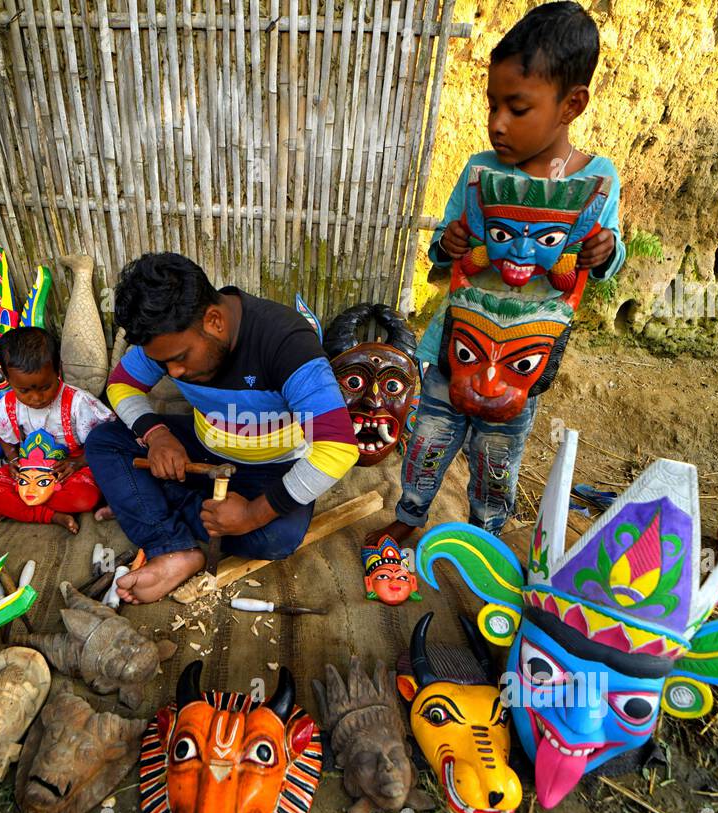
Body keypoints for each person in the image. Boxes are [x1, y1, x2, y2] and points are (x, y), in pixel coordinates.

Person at [370, 0, 626, 547]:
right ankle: (410, 518)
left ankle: (485, 536)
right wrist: (450, 243)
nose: (497, 124)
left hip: (522, 360)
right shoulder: (479, 169)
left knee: (497, 457)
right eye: (492, 105)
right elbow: (445, 255)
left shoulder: (598, 181)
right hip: (452, 347)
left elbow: (606, 264)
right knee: (428, 440)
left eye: (516, 107)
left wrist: (605, 251)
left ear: (571, 105)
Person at [86, 253, 358, 603]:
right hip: (200, 450)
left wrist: (251, 513)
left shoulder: (286, 341)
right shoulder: (166, 336)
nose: (173, 373)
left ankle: (144, 501)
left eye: (181, 358)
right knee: (105, 441)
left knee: (276, 537)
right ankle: (173, 547)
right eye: (161, 363)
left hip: (269, 468)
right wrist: (158, 436)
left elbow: (338, 447)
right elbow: (120, 385)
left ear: (214, 320)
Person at [0, 326, 114, 532]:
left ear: (58, 370)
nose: (36, 398)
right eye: (24, 390)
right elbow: (3, 436)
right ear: (7, 378)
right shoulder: (7, 405)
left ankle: (19, 507)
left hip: (69, 472)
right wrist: (13, 460)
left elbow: (106, 440)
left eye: (45, 387)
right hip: (28, 474)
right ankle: (52, 516)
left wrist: (78, 462)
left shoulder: (77, 402)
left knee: (85, 498)